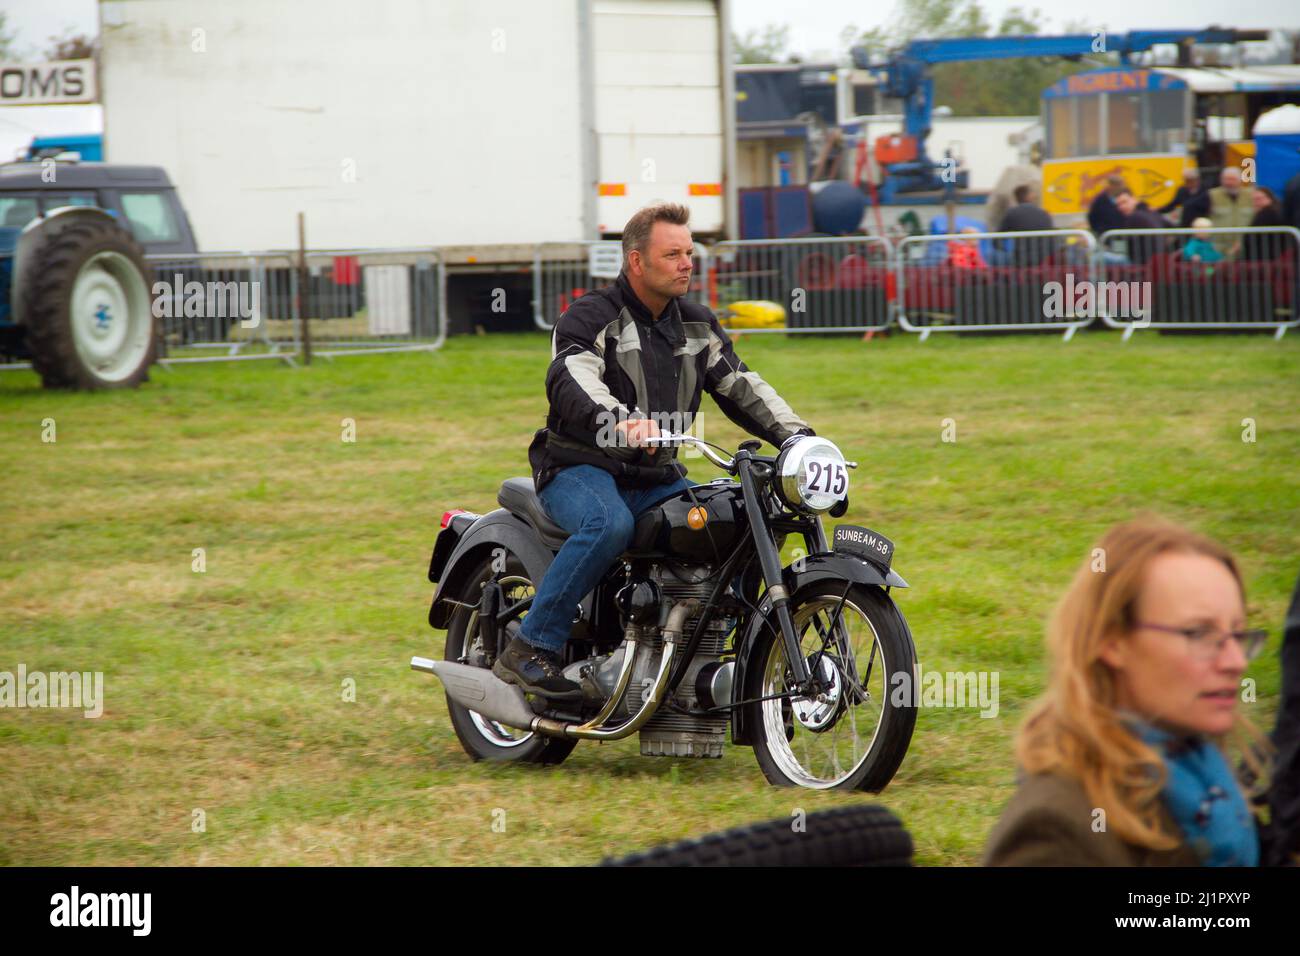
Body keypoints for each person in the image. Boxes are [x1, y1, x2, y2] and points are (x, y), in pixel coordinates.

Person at [496, 202, 815, 699]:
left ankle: (712, 646)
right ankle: (531, 645)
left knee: (736, 519)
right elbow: (571, 378)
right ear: (636, 261)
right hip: (580, 465)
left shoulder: (697, 325)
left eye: (689, 253)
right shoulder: (590, 316)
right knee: (609, 524)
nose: (687, 263)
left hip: (656, 476)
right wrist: (620, 421)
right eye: (673, 254)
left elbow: (742, 387)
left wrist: (802, 438)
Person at [983, 517, 1269, 866]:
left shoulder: (1209, 778)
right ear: (1112, 641)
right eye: (1198, 633)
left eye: (1238, 634)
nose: (1236, 661)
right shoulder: (1056, 831)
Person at [995, 184, 1056, 265]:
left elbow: (998, 238)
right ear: (1030, 197)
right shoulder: (1044, 213)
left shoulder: (1012, 213)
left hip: (1021, 259)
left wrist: (1005, 250)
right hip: (1044, 258)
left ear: (1016, 198)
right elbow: (1052, 238)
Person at [1207, 166, 1256, 259]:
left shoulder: (1251, 195)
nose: (1228, 182)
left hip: (1244, 247)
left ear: (1240, 180)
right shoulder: (1211, 195)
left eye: (1232, 179)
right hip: (1218, 248)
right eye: (1226, 179)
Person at [1114, 189, 1169, 266]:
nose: (1122, 207)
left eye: (1124, 202)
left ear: (1134, 199)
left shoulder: (1134, 217)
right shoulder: (1152, 213)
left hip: (1141, 263)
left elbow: (1122, 243)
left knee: (1100, 257)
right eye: (1118, 205)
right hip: (1159, 262)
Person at [1242, 186, 1286, 262]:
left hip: (1266, 258)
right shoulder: (1275, 211)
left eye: (1259, 199)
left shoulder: (1267, 213)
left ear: (1269, 199)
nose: (1256, 203)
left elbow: (1250, 236)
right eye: (1254, 200)